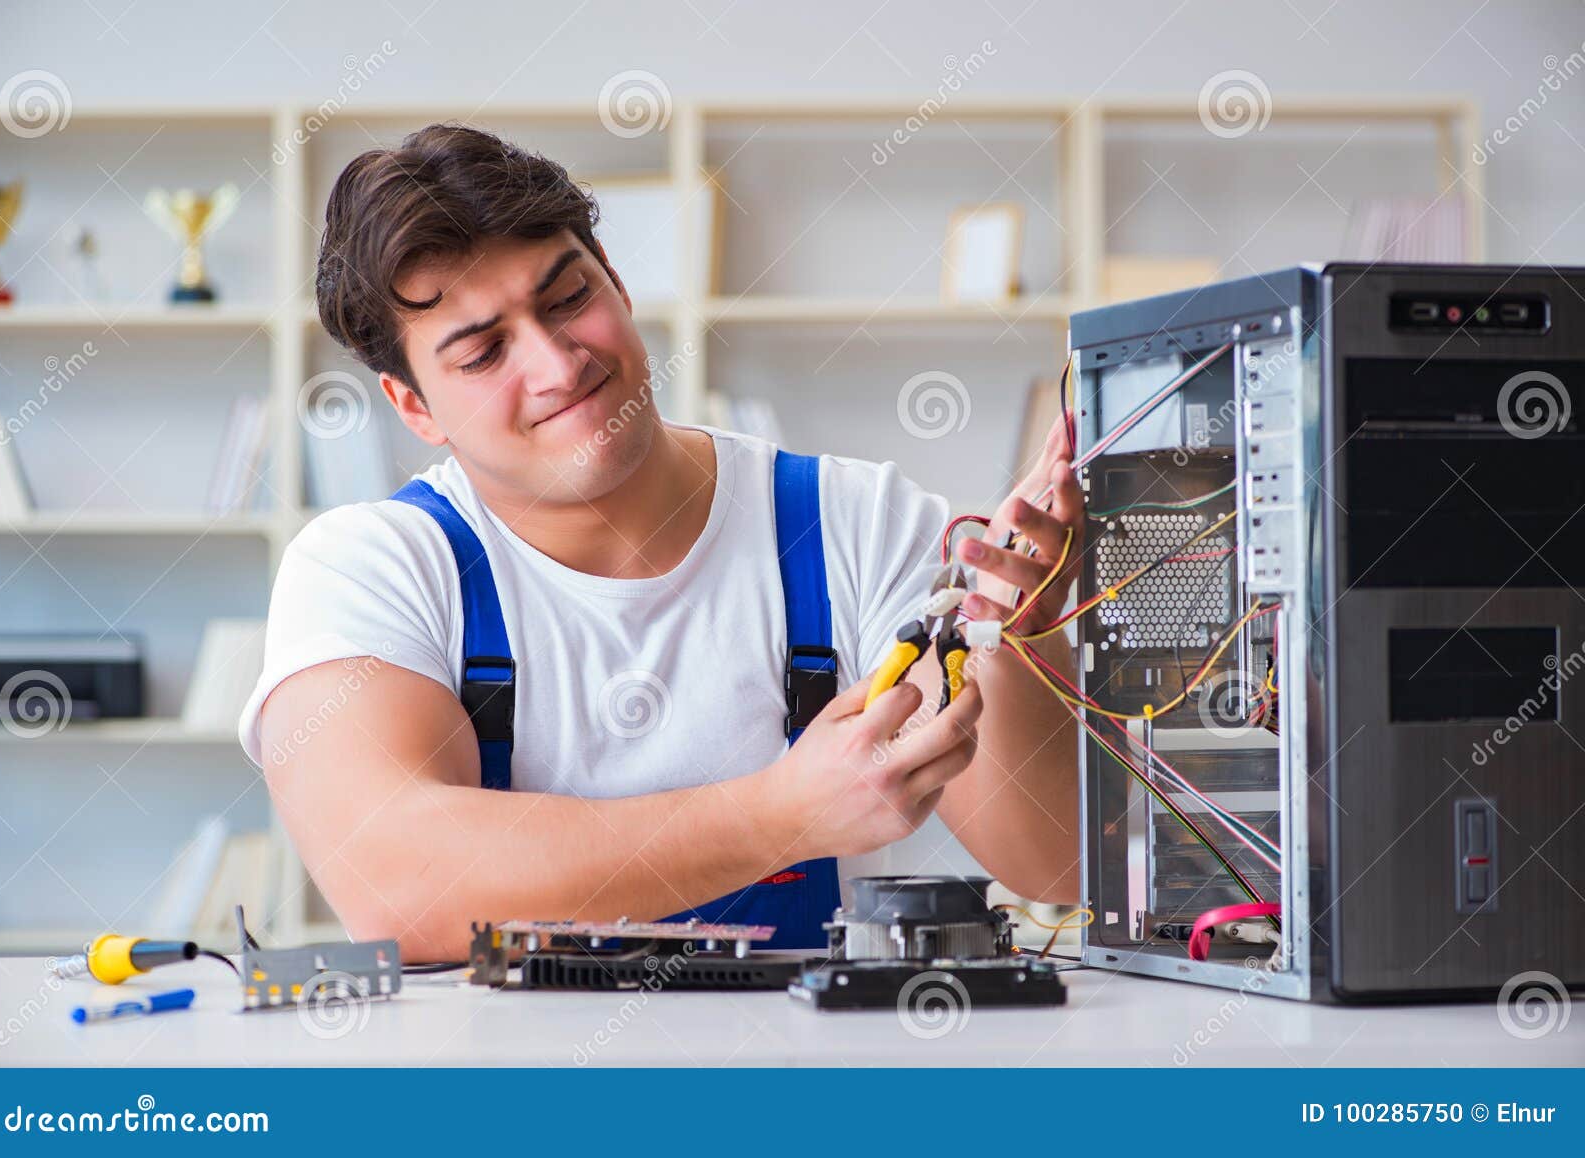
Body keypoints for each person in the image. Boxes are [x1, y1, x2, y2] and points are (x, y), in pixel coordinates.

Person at [238, 124, 1084, 961]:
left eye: (568, 299)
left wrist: (1014, 638)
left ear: (615, 281)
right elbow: (398, 887)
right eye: (486, 352)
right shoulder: (371, 570)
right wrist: (784, 814)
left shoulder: (856, 523)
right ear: (415, 407)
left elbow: (1054, 865)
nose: (558, 366)